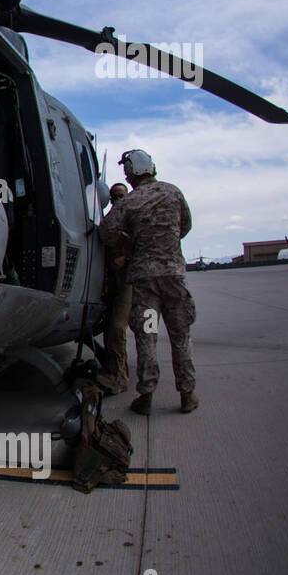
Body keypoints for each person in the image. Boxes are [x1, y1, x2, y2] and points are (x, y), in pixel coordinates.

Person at [102, 150, 198, 415]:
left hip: (145, 282)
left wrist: (132, 241)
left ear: (133, 171)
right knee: (181, 336)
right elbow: (185, 225)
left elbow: (106, 232)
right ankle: (187, 395)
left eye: (127, 170)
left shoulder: (129, 201)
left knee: (147, 338)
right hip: (173, 278)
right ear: (152, 168)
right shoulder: (173, 192)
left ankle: (145, 397)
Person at [97, 183, 131, 394]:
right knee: (110, 330)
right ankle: (116, 370)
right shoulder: (108, 220)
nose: (118, 199)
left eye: (121, 195)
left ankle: (120, 378)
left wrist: (125, 259)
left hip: (129, 281)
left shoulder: (133, 218)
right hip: (111, 282)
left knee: (118, 328)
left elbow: (145, 244)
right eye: (114, 196)